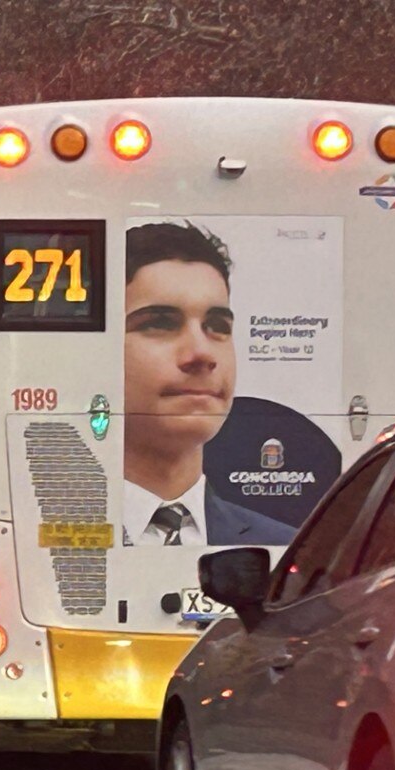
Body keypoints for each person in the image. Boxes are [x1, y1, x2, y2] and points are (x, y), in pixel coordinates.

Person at [122, 221, 296, 547]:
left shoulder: (287, 549)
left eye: (217, 326)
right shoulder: (38, 542)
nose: (202, 353)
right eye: (160, 323)